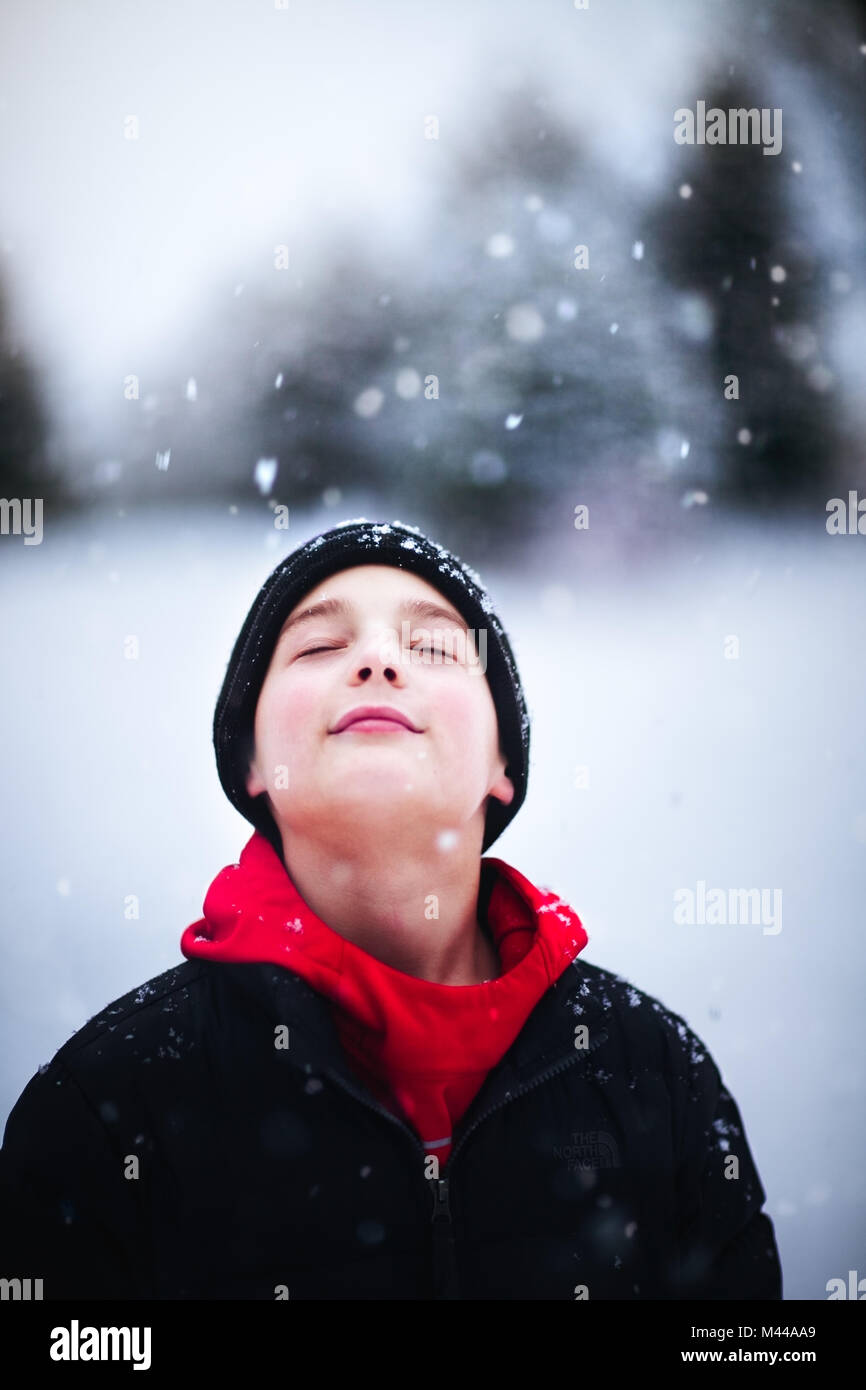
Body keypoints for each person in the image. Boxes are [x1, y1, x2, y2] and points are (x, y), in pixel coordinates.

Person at [0, 518, 782, 1300]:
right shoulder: (104, 1108)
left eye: (435, 649)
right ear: (247, 762)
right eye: (317, 647)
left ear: (502, 763)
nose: (376, 660)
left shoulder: (659, 1075)